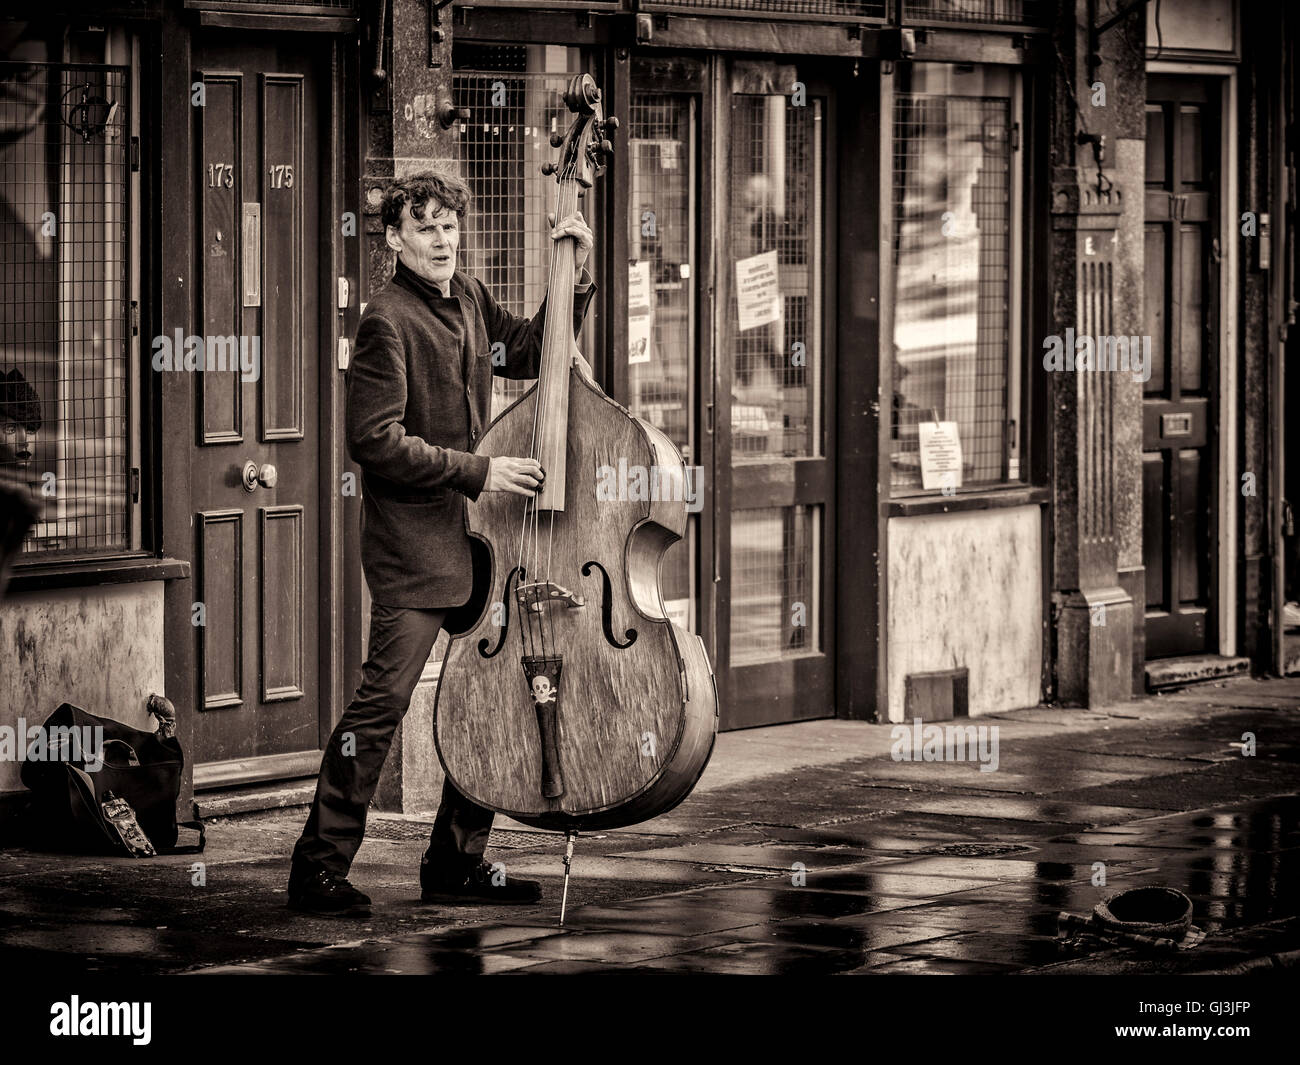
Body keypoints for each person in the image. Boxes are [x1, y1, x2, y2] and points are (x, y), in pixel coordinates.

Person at [288, 170, 597, 917]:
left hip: (483, 547)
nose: (442, 240)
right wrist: (480, 470)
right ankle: (316, 866)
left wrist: (576, 274)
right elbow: (376, 440)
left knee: (493, 695)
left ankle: (455, 861)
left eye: (450, 226)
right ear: (393, 238)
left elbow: (530, 350)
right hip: (415, 550)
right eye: (425, 227)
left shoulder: (471, 296)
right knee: (381, 707)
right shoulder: (384, 321)